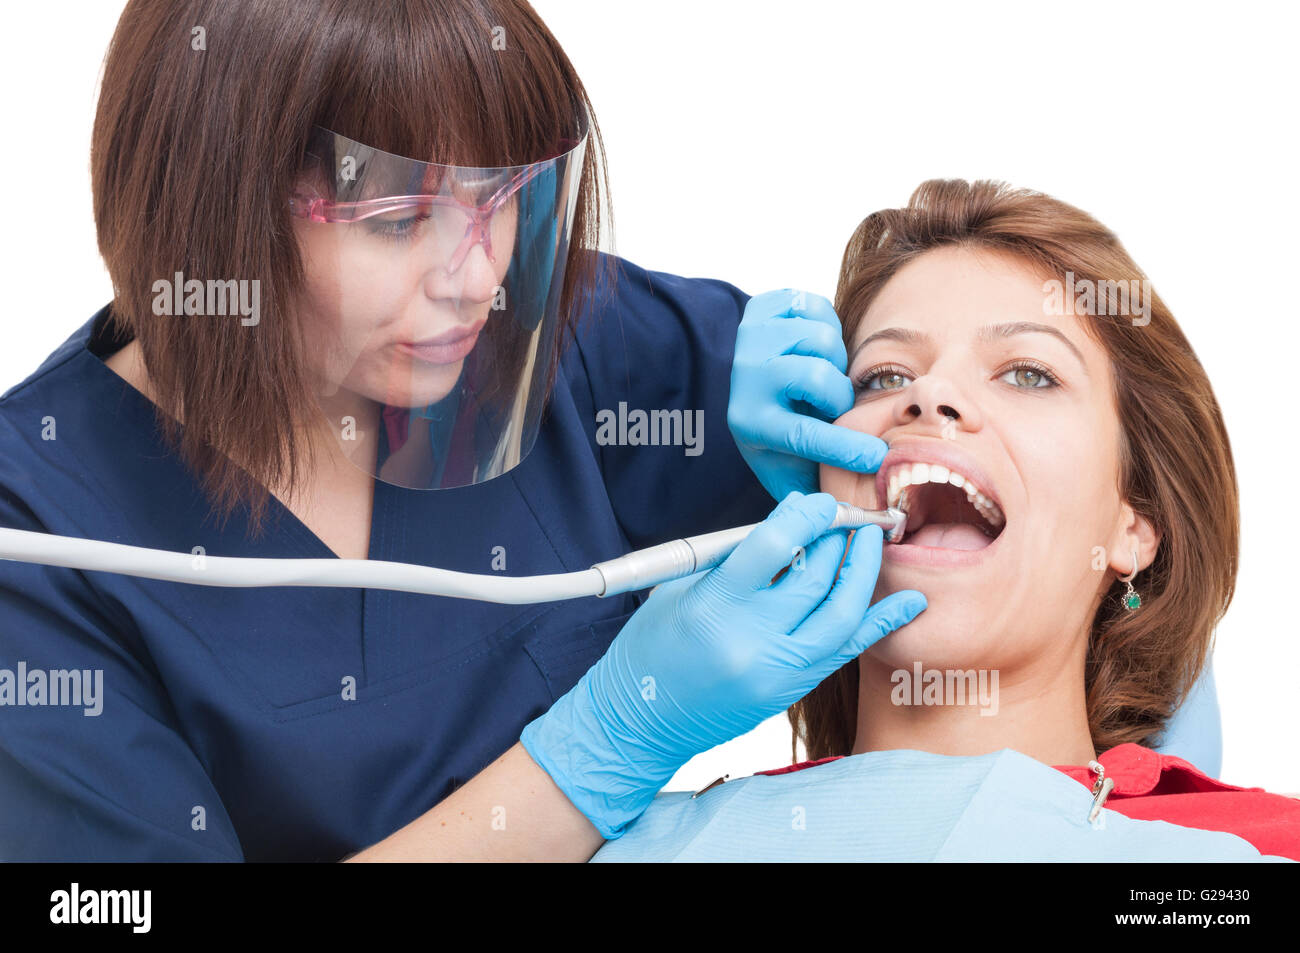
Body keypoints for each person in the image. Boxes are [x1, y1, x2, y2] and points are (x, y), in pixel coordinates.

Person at [0, 0, 921, 861]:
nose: (478, 279)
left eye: (502, 195)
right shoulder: (37, 535)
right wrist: (607, 740)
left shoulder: (548, 336)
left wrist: (848, 387)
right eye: (399, 219)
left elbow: (913, 453)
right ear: (209, 221)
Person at [589, 180, 1299, 862]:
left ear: (1135, 524)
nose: (930, 392)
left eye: (1028, 372)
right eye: (884, 376)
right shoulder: (614, 844)